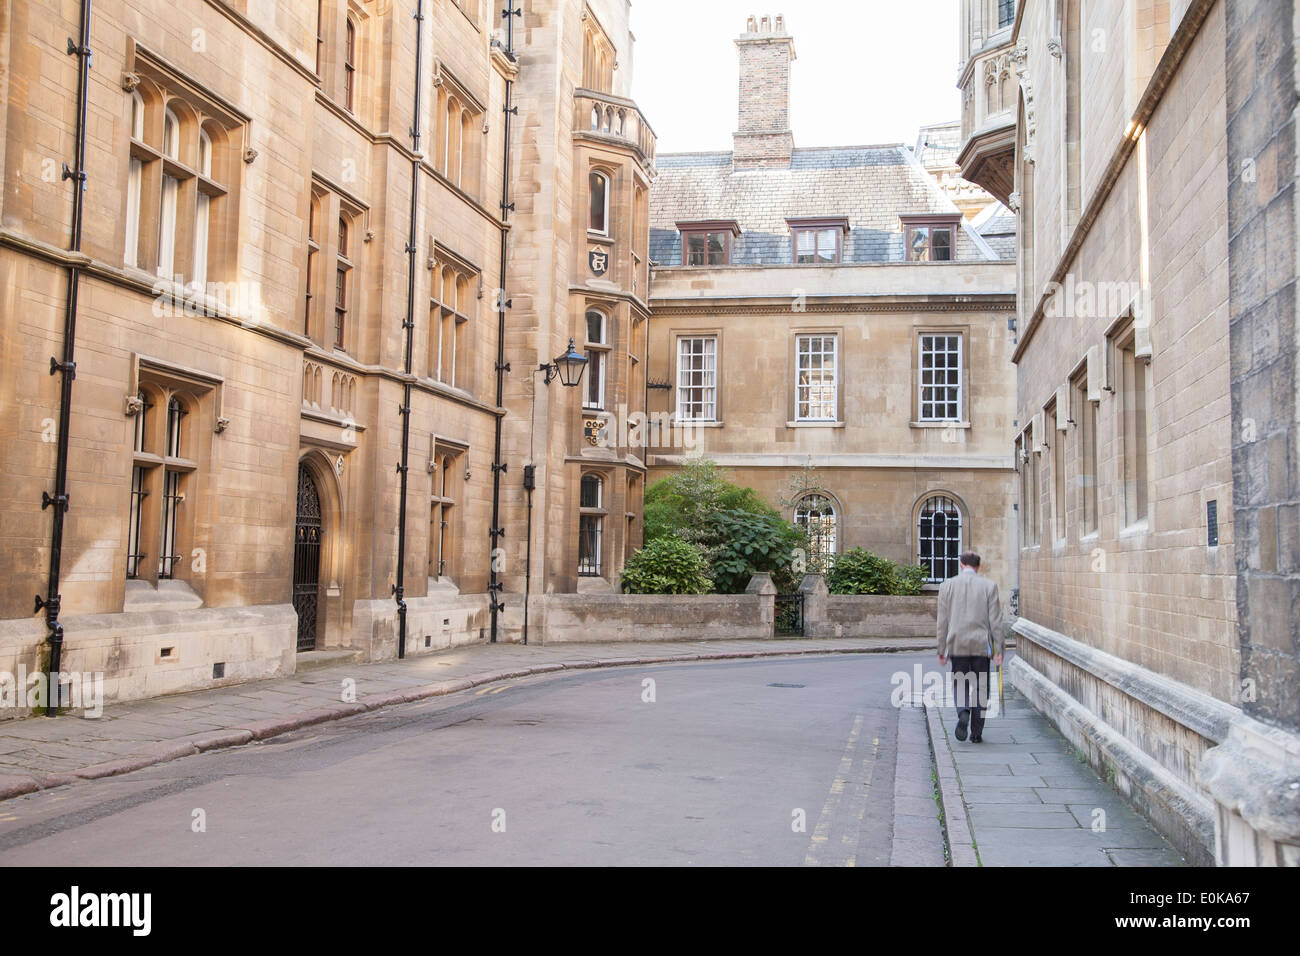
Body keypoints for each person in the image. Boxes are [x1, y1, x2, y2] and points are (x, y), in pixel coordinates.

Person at [935, 550, 1004, 743]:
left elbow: (942, 622)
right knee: (981, 688)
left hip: (957, 644)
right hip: (981, 645)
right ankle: (976, 732)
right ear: (978, 567)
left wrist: (941, 650)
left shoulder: (947, 586)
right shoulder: (989, 587)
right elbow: (996, 622)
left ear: (961, 565)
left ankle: (963, 710)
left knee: (960, 682)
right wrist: (999, 650)